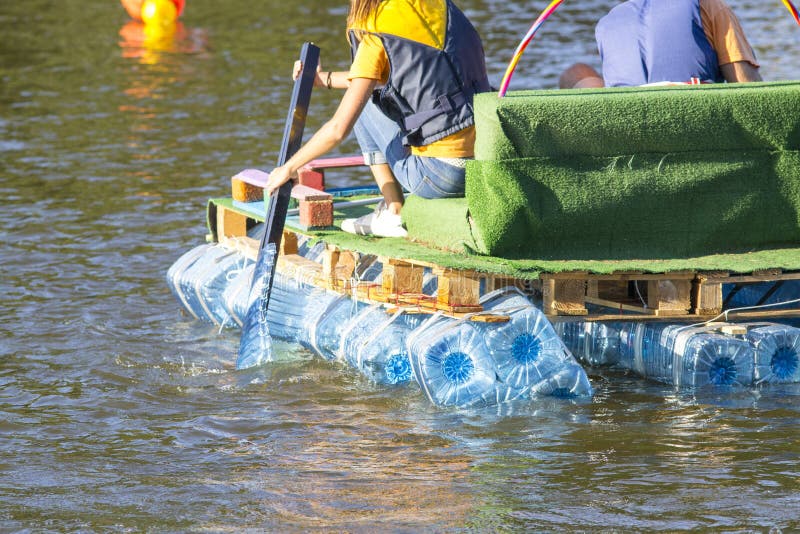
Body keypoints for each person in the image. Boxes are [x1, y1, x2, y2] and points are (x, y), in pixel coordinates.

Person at [264, 0, 490, 237]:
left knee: (364, 102)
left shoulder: (377, 29)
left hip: (439, 177)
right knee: (366, 93)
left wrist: (288, 167)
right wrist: (323, 79)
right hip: (483, 165)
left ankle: (394, 210)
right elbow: (391, 75)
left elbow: (338, 129)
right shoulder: (440, 8)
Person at [559, 0, 762, 89]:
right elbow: (747, 90)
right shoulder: (707, 4)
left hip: (627, 131)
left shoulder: (607, 22)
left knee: (575, 73)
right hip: (695, 127)